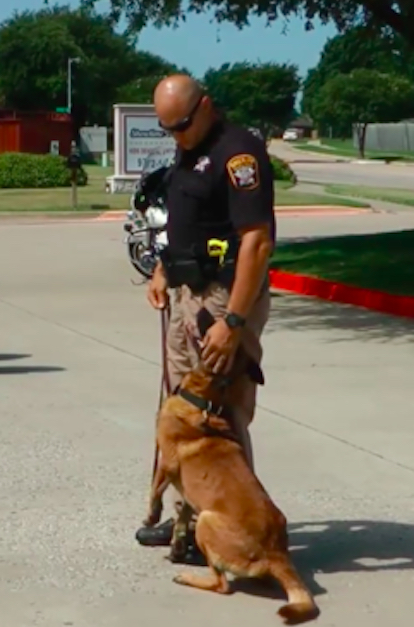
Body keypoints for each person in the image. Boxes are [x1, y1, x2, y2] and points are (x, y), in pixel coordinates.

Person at [134, 74, 276, 558]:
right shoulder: (189, 149)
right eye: (166, 127)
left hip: (224, 298)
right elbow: (186, 220)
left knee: (221, 417)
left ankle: (239, 529)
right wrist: (161, 269)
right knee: (183, 414)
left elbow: (256, 241)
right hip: (186, 292)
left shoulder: (240, 155)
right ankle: (189, 523)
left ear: (207, 106)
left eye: (182, 125)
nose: (176, 135)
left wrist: (234, 322)